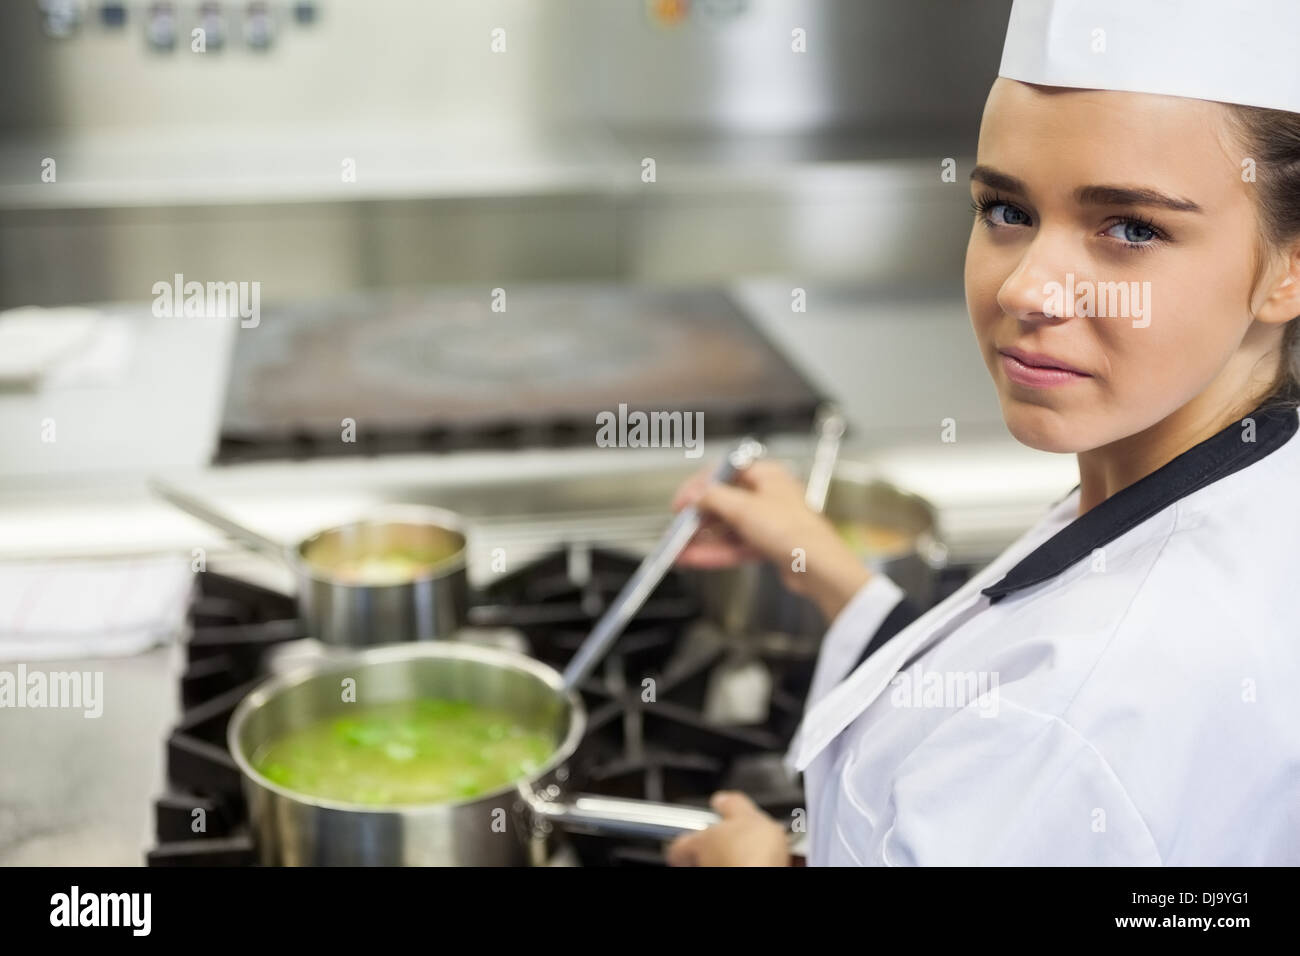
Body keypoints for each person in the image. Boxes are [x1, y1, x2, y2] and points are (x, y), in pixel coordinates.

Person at [665, 0, 1300, 866]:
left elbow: (1045, 727)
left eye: (1131, 229)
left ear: (1289, 265)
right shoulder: (1234, 469)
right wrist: (824, 568)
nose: (1028, 290)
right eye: (1007, 209)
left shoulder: (1080, 720)